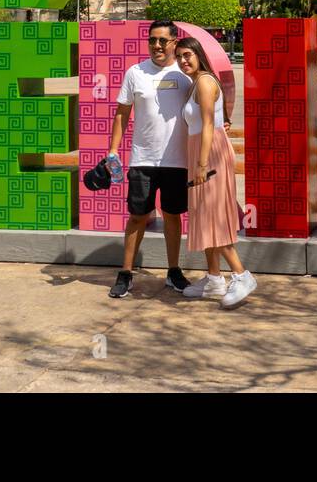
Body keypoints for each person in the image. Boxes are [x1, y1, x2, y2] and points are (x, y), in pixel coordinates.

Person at [102, 20, 192, 299]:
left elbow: (206, 104)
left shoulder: (187, 73)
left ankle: (174, 271)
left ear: (175, 42)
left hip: (178, 159)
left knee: (173, 216)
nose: (157, 46)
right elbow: (122, 113)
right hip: (143, 158)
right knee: (137, 216)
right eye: (152, 40)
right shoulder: (135, 72)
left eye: (163, 40)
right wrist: (113, 150)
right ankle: (126, 273)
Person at [174, 37, 256, 308]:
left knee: (214, 217)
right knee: (205, 216)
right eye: (180, 57)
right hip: (202, 150)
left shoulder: (205, 82)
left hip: (210, 155)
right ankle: (213, 280)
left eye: (188, 55)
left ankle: (241, 275)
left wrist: (201, 164)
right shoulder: (196, 83)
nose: (184, 61)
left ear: (198, 54)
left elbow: (209, 124)